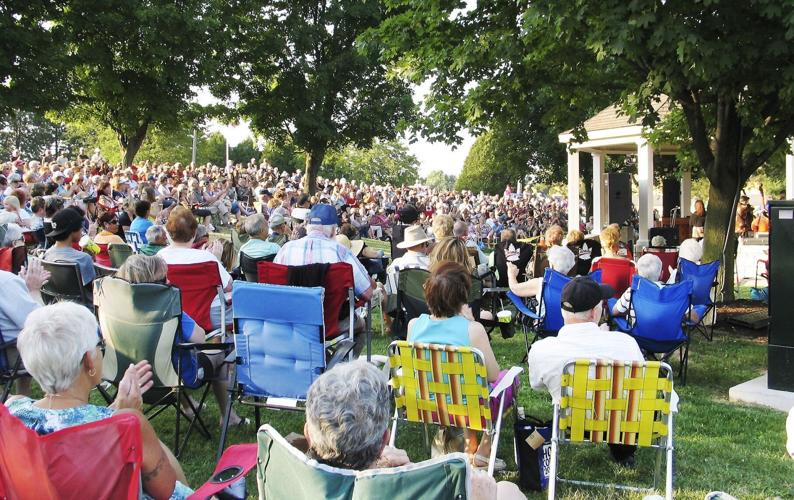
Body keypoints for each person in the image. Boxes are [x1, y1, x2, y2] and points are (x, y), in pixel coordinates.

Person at [5, 302, 193, 499]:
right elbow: (175, 494)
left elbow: (71, 426)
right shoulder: (127, 426)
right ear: (88, 361)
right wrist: (132, 420)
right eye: (99, 345)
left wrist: (115, 412)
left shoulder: (13, 412)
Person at [303, 360, 526, 500]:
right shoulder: (414, 490)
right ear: (385, 439)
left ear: (307, 434)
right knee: (506, 490)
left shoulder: (285, 475)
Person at [407, 261, 517, 472]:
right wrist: (470, 321)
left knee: (464, 385)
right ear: (462, 297)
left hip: (426, 404)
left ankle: (468, 443)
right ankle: (484, 449)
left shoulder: (415, 325)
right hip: (469, 407)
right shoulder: (472, 330)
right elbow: (493, 375)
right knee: (507, 379)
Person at [115, 255, 246, 427]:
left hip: (128, 377)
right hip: (171, 378)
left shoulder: (114, 309)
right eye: (163, 278)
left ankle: (189, 406)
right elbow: (200, 338)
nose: (169, 280)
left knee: (171, 357)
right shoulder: (170, 309)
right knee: (219, 352)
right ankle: (228, 417)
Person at [527, 276, 644, 465]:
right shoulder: (626, 343)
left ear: (563, 311)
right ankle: (622, 451)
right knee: (623, 401)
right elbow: (642, 385)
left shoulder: (543, 349)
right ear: (593, 313)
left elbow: (537, 385)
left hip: (573, 422)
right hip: (622, 424)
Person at [274, 204, 377, 355]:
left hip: (291, 321)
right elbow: (367, 292)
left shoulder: (286, 250)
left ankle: (324, 362)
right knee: (360, 326)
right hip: (330, 323)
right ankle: (339, 366)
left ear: (308, 226)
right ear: (334, 229)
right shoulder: (340, 252)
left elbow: (272, 289)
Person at [158, 207, 231, 330]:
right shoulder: (208, 259)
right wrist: (218, 260)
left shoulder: (158, 258)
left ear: (169, 233)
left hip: (168, 318)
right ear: (194, 233)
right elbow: (229, 286)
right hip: (204, 318)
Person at [0, 259, 50, 395]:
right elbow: (43, 323)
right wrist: (33, 291)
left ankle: (17, 396)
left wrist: (20, 288)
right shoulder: (5, 282)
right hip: (11, 356)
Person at [43, 208, 96, 287]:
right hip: (82, 298)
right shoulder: (84, 258)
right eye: (81, 226)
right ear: (72, 231)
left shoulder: (46, 255)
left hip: (56, 298)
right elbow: (93, 288)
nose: (82, 229)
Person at [506, 245, 576, 300]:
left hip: (545, 318)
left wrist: (511, 274)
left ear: (551, 265)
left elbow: (515, 288)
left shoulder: (541, 283)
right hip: (568, 318)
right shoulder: (577, 284)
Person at [385, 224, 432, 294]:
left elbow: (390, 292)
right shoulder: (431, 264)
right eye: (427, 244)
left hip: (402, 304)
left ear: (407, 247)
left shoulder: (395, 264)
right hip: (427, 303)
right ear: (423, 244)